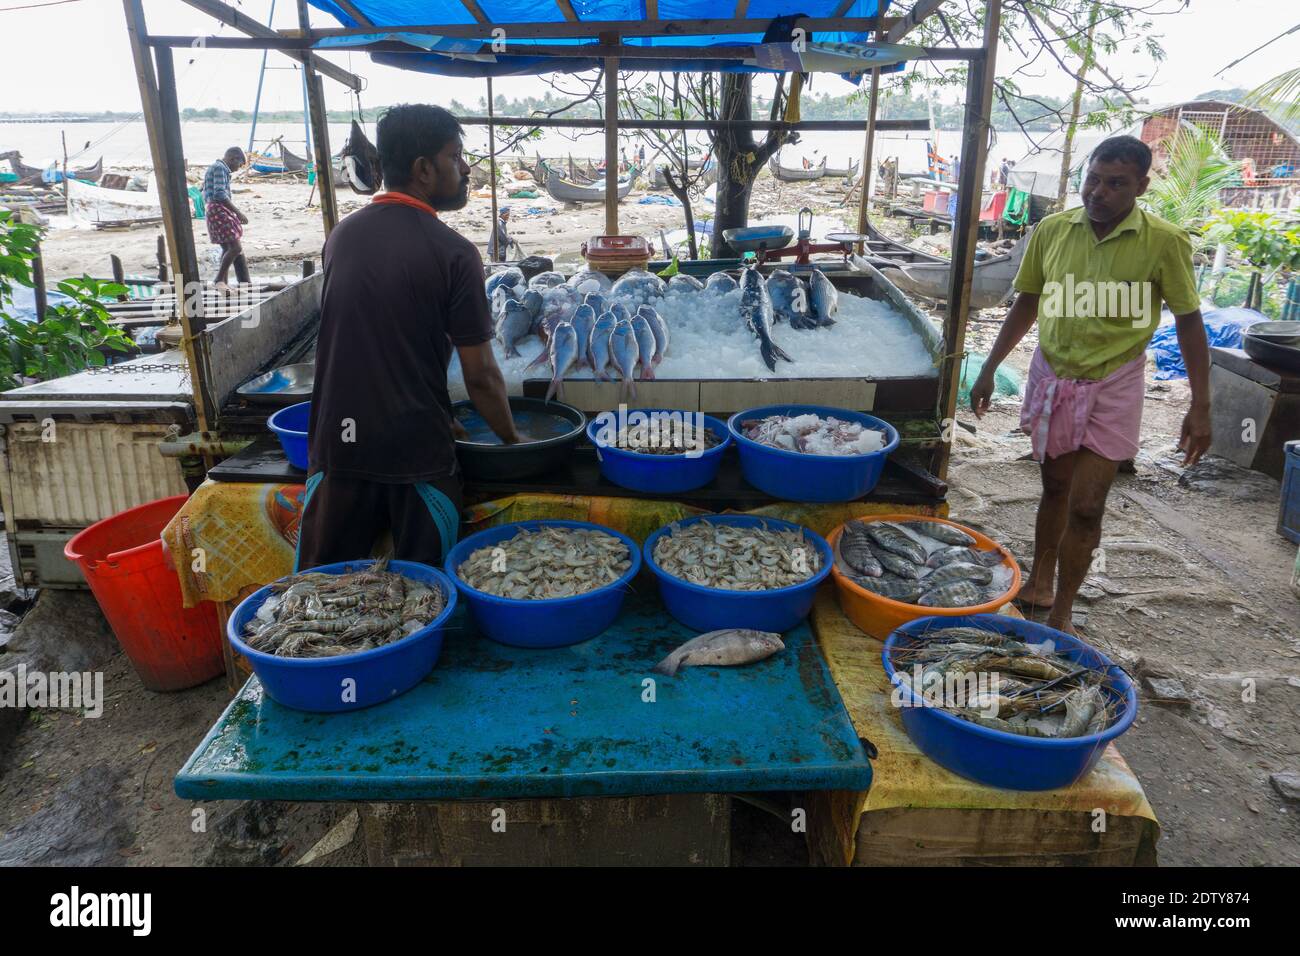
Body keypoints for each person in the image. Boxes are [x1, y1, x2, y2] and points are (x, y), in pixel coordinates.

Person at [969, 135, 1211, 635]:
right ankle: (1040, 581)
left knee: (1087, 503)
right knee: (1055, 486)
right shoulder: (1053, 231)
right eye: (1092, 180)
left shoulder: (1165, 241)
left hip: (1115, 381)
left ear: (1141, 186)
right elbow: (1027, 302)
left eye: (1115, 184)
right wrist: (990, 367)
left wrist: (1200, 405)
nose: (1098, 193)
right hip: (1054, 373)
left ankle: (1063, 610)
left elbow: (1189, 322)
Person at [298, 104, 521, 569]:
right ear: (423, 169)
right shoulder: (455, 254)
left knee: (321, 590)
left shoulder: (342, 235)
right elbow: (480, 376)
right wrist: (513, 442)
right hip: (416, 459)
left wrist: (439, 410)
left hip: (337, 450)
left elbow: (381, 337)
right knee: (422, 595)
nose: (464, 169)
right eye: (455, 156)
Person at [202, 147, 250, 289]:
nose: (238, 168)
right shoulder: (220, 168)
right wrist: (238, 213)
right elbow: (220, 194)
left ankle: (224, 284)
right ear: (233, 158)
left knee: (226, 247)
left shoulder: (218, 167)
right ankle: (218, 279)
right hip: (218, 209)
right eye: (239, 165)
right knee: (235, 248)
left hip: (214, 209)